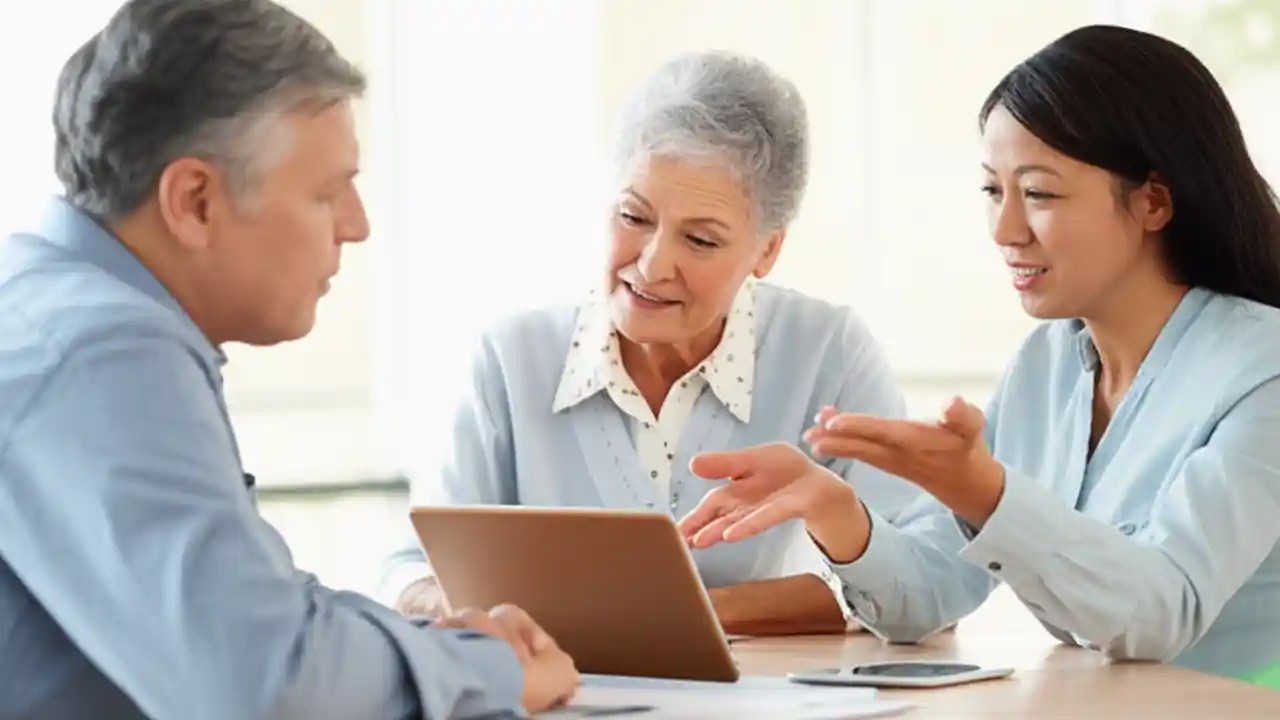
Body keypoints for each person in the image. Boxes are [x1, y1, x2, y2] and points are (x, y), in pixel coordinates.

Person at [0, 1, 577, 717]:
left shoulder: (51, 307)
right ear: (195, 200)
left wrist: (433, 647)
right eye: (329, 191)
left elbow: (258, 619)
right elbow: (264, 683)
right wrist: (489, 672)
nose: (358, 226)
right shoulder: (102, 351)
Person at [678, 24, 1280, 682]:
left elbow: (1164, 613)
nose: (1004, 229)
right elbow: (926, 598)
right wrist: (834, 508)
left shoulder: (1262, 370)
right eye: (994, 190)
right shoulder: (1048, 365)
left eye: (1040, 193)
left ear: (1153, 201)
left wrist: (987, 493)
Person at [382, 51, 919, 636]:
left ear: (767, 250)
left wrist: (677, 621)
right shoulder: (510, 360)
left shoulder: (829, 352)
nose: (652, 264)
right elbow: (409, 570)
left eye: (700, 240)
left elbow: (913, 583)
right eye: (634, 217)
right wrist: (462, 610)